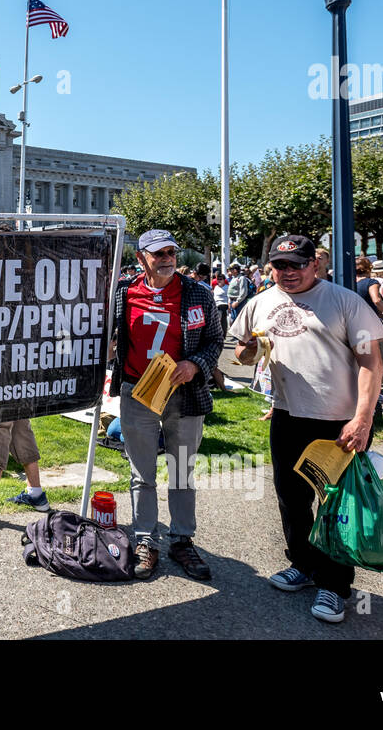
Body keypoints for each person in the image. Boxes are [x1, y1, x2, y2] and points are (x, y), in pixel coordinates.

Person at [231, 233, 383, 625]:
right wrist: (248, 350)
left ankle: (335, 586)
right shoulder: (261, 302)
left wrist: (363, 418)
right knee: (292, 499)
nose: (287, 272)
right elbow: (242, 352)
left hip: (339, 421)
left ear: (315, 264)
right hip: (286, 415)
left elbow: (372, 361)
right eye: (279, 265)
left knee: (336, 507)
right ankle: (302, 564)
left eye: (296, 264)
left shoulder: (344, 301)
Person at [108, 229, 223, 580]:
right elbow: (105, 334)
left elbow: (215, 340)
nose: (167, 258)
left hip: (183, 395)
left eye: (171, 251)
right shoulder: (124, 292)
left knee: (182, 471)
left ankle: (182, 540)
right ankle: (145, 540)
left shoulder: (197, 294)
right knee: (141, 473)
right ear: (142, 257)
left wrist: (195, 365)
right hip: (138, 392)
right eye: (158, 254)